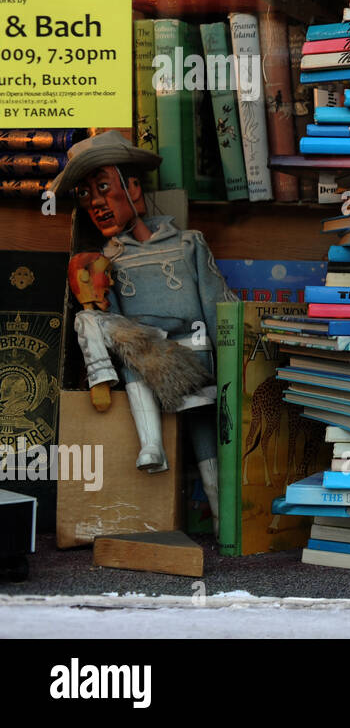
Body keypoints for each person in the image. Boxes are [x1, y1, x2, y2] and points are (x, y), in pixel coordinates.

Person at [51, 130, 236, 528]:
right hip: (143, 357)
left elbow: (220, 305)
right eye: (85, 195)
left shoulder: (188, 244)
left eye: (102, 187)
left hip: (194, 352)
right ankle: (150, 444)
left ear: (133, 188)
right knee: (126, 340)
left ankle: (223, 517)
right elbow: (111, 320)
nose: (95, 204)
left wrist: (231, 369)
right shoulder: (106, 260)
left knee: (205, 436)